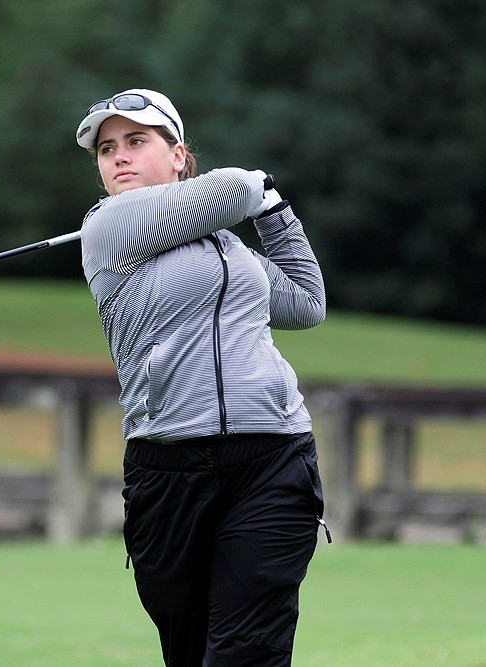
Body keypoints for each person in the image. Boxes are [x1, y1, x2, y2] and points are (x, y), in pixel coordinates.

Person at [76, 88, 330, 666]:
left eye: (137, 141)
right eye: (107, 149)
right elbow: (238, 187)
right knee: (190, 652)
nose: (119, 157)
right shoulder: (108, 228)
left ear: (178, 154)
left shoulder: (230, 249)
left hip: (271, 456)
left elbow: (305, 301)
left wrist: (275, 211)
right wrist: (257, 186)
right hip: (167, 469)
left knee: (247, 652)